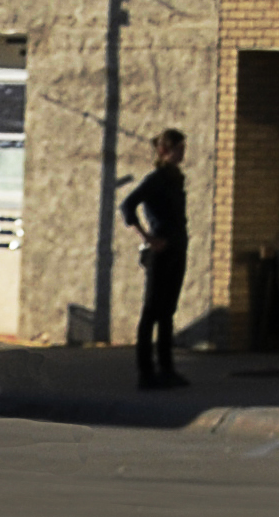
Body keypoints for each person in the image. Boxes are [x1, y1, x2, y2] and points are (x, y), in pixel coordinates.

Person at [118, 129, 189, 389]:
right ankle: (146, 373)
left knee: (168, 311)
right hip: (160, 251)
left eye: (182, 149)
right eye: (177, 149)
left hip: (178, 248)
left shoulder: (176, 179)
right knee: (151, 312)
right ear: (164, 151)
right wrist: (148, 237)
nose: (181, 154)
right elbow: (128, 205)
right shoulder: (156, 179)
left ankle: (167, 369)